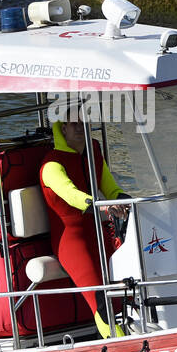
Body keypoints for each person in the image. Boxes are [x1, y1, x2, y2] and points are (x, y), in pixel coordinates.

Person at [39, 116, 131, 339]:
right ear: (62, 129)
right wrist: (103, 208)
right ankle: (119, 343)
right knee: (100, 299)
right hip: (72, 241)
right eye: (73, 123)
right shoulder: (51, 165)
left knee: (128, 288)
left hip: (98, 232)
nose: (79, 127)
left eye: (83, 122)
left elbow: (110, 187)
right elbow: (72, 195)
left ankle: (142, 332)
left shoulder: (93, 152)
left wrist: (123, 199)